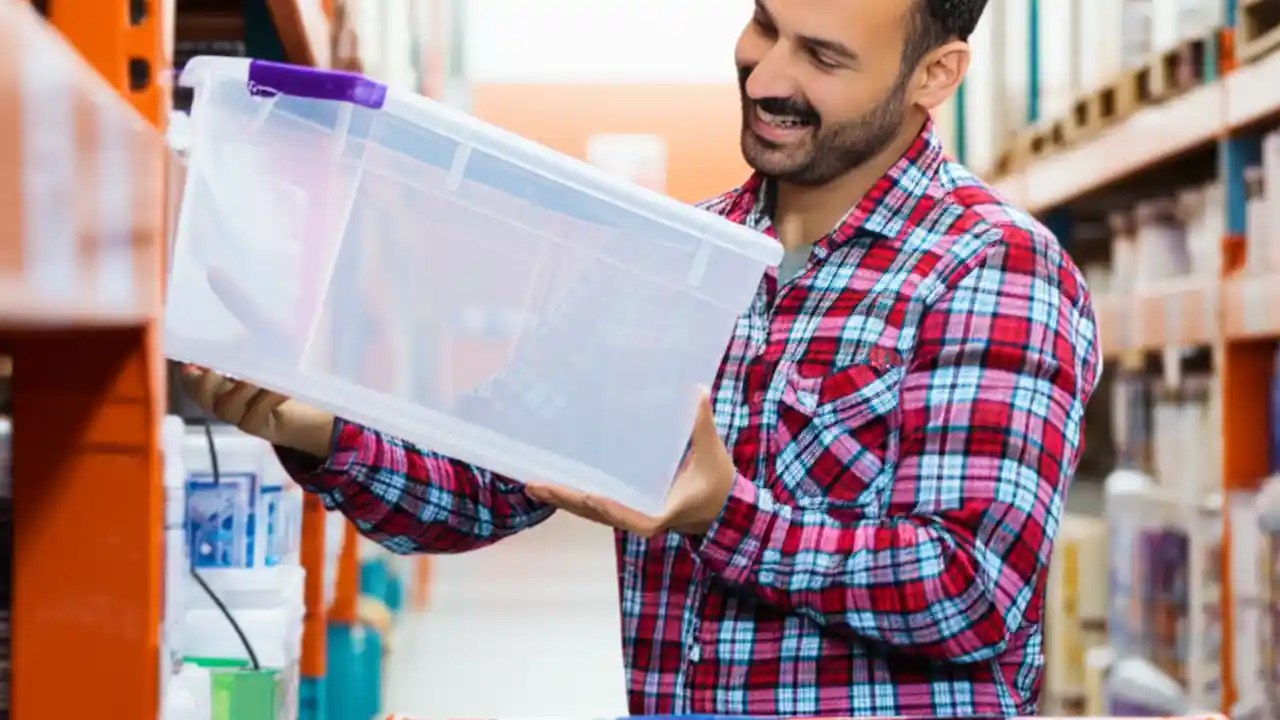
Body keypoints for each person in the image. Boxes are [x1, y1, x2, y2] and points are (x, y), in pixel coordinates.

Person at [184, 0, 1100, 715]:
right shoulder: (674, 257)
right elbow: (494, 478)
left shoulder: (990, 268)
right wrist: (319, 425)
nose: (765, 74)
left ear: (933, 74)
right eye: (764, 26)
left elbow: (975, 593)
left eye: (822, 57)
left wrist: (723, 517)